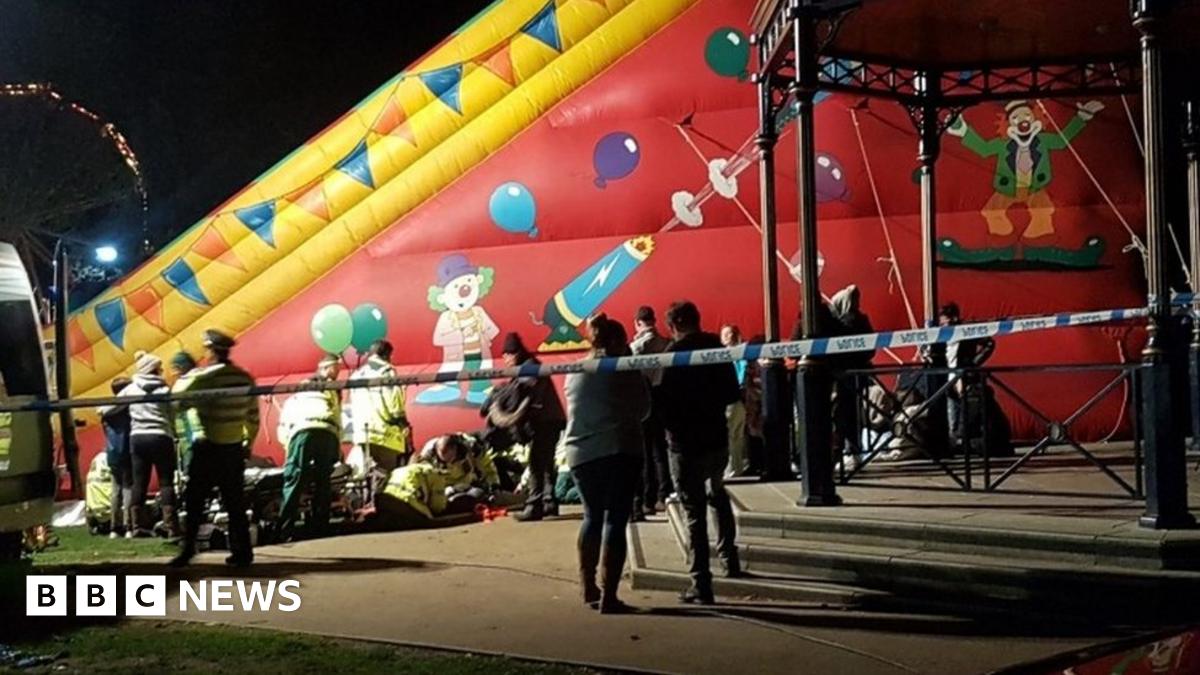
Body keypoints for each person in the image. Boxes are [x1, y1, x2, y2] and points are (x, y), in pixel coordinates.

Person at [563, 314, 650, 613]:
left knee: (591, 517)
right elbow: (643, 409)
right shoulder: (622, 370)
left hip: (580, 452)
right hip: (619, 449)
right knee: (615, 519)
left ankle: (588, 586)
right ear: (616, 341)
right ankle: (609, 596)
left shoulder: (574, 370)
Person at [659, 301, 743, 604]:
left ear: (675, 324)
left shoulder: (672, 356)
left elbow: (663, 403)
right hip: (715, 438)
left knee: (693, 511)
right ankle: (729, 558)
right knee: (717, 494)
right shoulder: (715, 349)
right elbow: (732, 392)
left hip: (685, 443)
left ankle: (700, 582)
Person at [169, 329, 259, 568]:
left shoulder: (206, 379)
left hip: (208, 448)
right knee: (235, 504)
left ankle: (188, 550)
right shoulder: (244, 379)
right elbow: (253, 417)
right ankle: (243, 553)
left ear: (210, 351)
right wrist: (247, 444)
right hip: (233, 449)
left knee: (195, 502)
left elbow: (179, 404)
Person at [484, 332, 566, 522]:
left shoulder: (529, 370)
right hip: (551, 420)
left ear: (513, 354)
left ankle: (534, 505)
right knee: (546, 462)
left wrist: (498, 406)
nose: (504, 360)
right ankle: (549, 502)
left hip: (545, 421)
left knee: (537, 463)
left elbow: (521, 397)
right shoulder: (529, 367)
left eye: (506, 355)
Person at [275, 354, 343, 542]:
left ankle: (284, 528)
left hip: (302, 432)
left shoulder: (295, 399)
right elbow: (338, 421)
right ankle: (321, 525)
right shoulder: (329, 397)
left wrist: (289, 452)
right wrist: (337, 450)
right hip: (327, 431)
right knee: (324, 480)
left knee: (294, 479)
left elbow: (283, 427)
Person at [120, 352, 179, 538]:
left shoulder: (131, 389)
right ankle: (171, 526)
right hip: (162, 436)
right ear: (154, 370)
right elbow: (172, 413)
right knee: (166, 481)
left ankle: (136, 525)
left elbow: (104, 409)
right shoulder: (164, 390)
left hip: (137, 438)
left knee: (139, 482)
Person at [349, 340, 411, 499]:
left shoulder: (357, 374)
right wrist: (402, 422)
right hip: (384, 431)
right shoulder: (386, 371)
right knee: (385, 473)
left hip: (363, 432)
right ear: (386, 354)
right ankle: (382, 508)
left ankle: (367, 503)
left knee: (368, 473)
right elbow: (393, 402)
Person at [630, 305, 672, 517]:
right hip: (663, 395)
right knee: (661, 448)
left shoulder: (636, 347)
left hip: (645, 396)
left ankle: (648, 497)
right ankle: (665, 493)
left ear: (638, 323)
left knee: (645, 450)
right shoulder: (667, 343)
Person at [830, 285, 876, 471]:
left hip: (844, 375)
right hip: (861, 374)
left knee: (843, 415)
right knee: (853, 414)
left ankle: (846, 452)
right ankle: (854, 452)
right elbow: (870, 348)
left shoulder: (842, 323)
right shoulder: (864, 320)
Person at [97, 377, 132, 538]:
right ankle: (129, 525)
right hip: (128, 449)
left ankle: (114, 527)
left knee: (115, 490)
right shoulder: (128, 408)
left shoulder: (106, 411)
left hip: (112, 451)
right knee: (128, 488)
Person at [720, 324, 749, 477]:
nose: (725, 337)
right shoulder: (744, 353)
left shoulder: (726, 356)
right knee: (737, 436)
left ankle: (731, 468)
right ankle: (737, 467)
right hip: (740, 400)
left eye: (727, 334)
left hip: (730, 399)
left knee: (730, 435)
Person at [170, 351, 198, 475]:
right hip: (203, 431)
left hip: (190, 432)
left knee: (191, 468)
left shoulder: (182, 383)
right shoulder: (203, 377)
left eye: (175, 368)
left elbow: (174, 406)